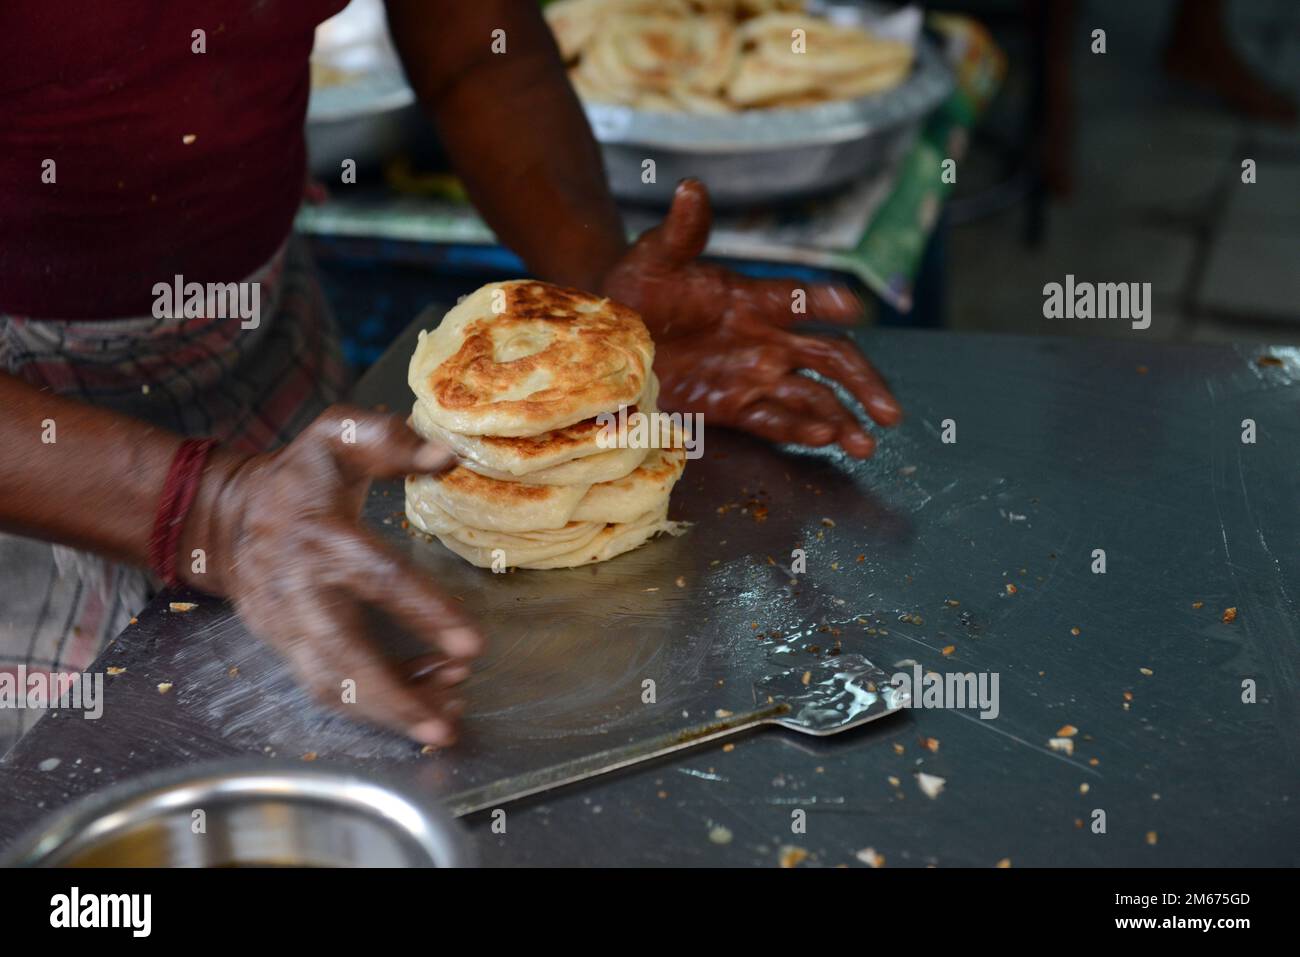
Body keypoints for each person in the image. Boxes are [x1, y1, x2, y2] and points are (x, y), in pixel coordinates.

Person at [0, 1, 902, 755]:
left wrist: (594, 293)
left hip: (263, 345)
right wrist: (216, 512)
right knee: (90, 785)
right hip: (32, 455)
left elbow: (476, 45)